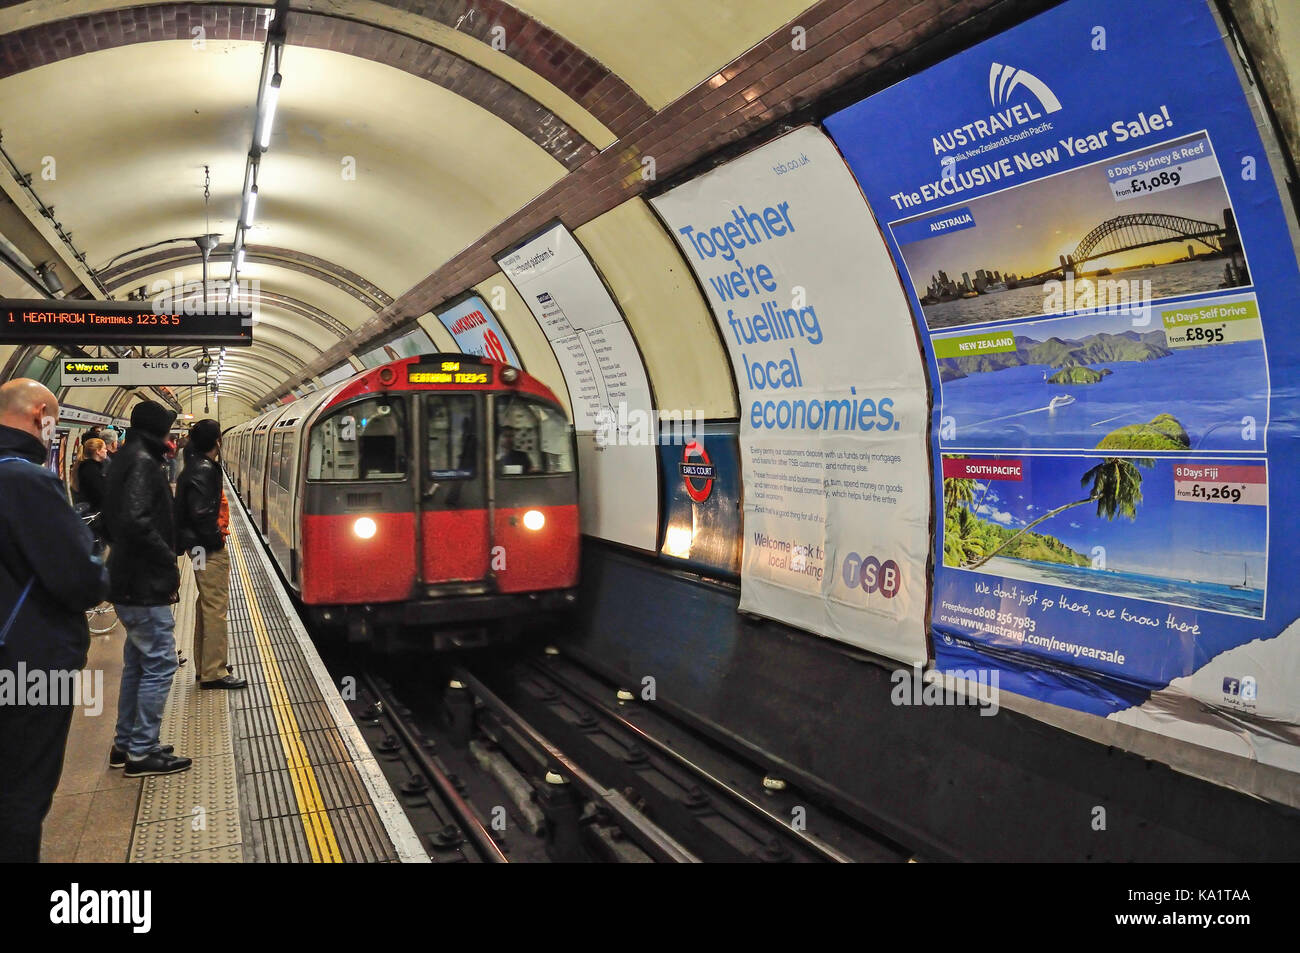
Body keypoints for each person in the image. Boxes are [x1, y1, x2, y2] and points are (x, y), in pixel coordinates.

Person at [0, 379, 108, 862]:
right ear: (40, 413)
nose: (53, 431)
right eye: (54, 422)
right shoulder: (27, 479)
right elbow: (80, 581)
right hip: (29, 665)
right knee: (22, 793)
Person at [103, 400, 192, 777]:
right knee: (160, 662)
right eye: (169, 428)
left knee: (139, 663)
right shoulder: (143, 462)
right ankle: (142, 751)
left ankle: (126, 744)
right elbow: (137, 522)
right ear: (158, 429)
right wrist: (167, 560)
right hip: (142, 582)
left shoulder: (126, 457)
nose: (172, 436)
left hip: (126, 579)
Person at [174, 419, 244, 690]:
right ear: (217, 442)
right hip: (206, 547)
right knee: (215, 607)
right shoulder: (204, 470)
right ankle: (214, 672)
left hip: (197, 547)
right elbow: (202, 515)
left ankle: (206, 666)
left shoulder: (193, 466)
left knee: (206, 603)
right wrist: (216, 540)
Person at [72, 437, 108, 513]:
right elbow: (98, 493)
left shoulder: (89, 467)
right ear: (98, 451)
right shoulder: (91, 470)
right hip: (93, 512)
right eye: (104, 448)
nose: (106, 450)